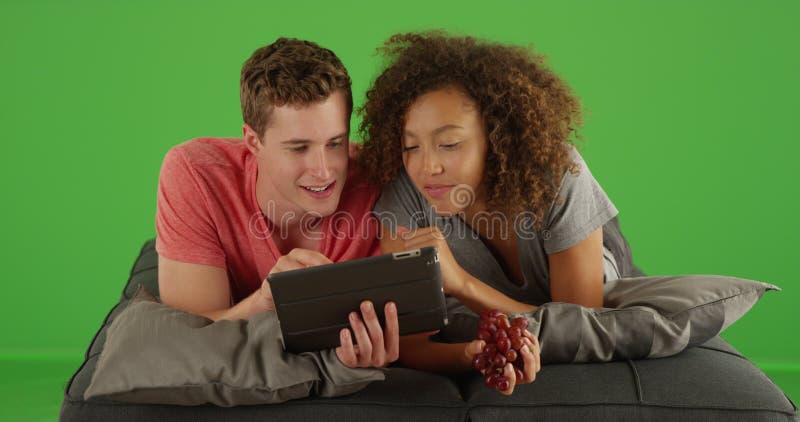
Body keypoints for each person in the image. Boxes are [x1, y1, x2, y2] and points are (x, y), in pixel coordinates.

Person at [358, 32, 642, 393]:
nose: (427, 166)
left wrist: (461, 284)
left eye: (449, 144)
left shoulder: (556, 177)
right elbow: (412, 347)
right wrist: (474, 354)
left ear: (495, 137)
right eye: (410, 146)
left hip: (599, 271)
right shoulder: (405, 197)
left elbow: (580, 328)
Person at [155, 37, 398, 369]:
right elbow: (190, 339)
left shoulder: (379, 176)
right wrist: (266, 302)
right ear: (254, 141)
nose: (324, 171)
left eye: (335, 143)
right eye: (299, 148)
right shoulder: (195, 173)